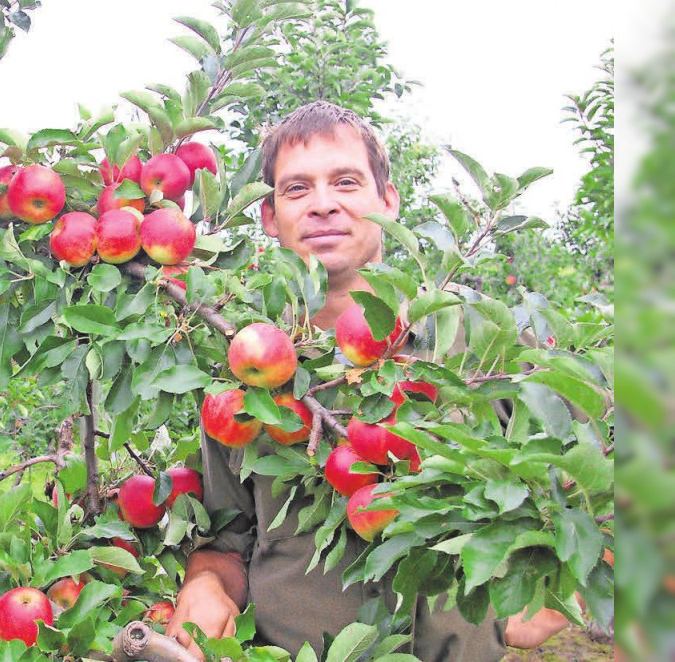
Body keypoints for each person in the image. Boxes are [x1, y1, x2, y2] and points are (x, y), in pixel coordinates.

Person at [164, 101, 569, 659]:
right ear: (269, 217)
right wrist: (206, 582)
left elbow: (612, 466)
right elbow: (227, 540)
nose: (323, 204)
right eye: (297, 189)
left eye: (346, 182)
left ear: (388, 201)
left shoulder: (481, 341)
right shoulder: (239, 381)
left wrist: (568, 581)